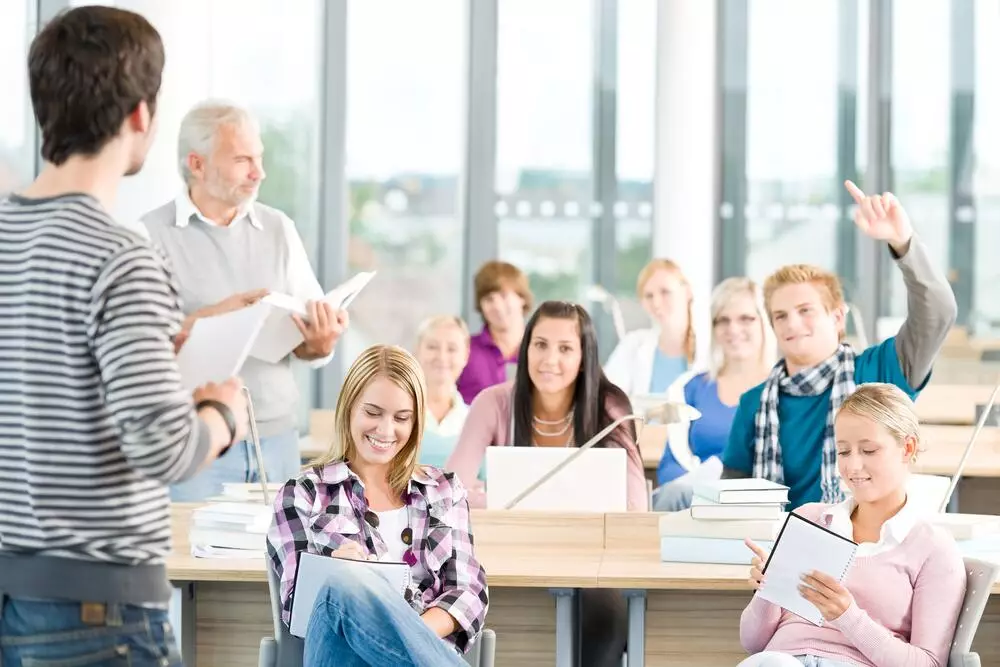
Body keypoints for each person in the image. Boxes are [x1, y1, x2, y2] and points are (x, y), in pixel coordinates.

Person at [0, 7, 248, 665]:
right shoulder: (122, 257)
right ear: (142, 114)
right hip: (98, 613)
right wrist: (222, 411)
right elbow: (166, 448)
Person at [142, 101, 347, 501]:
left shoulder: (278, 228)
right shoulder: (150, 235)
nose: (259, 172)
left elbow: (307, 338)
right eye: (242, 160)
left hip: (278, 442)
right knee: (193, 562)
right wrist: (215, 316)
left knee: (282, 563)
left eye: (259, 158)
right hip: (197, 443)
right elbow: (141, 347)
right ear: (197, 164)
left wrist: (320, 342)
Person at [721, 181, 958, 509]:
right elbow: (733, 500)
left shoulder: (878, 372)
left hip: (868, 543)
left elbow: (938, 312)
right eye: (781, 315)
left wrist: (902, 242)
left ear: (837, 318)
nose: (792, 324)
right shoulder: (754, 403)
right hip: (779, 546)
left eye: (805, 311)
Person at [446, 300, 642, 667]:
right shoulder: (494, 402)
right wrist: (496, 501)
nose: (550, 359)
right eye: (540, 344)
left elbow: (634, 510)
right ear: (526, 347)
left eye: (565, 348)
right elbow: (447, 494)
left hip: (592, 562)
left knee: (604, 618)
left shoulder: (610, 406)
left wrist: (494, 500)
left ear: (584, 357)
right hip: (508, 556)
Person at [266, 345, 488, 666]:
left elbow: (468, 593)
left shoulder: (444, 491)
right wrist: (339, 577)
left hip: (425, 653)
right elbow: (296, 607)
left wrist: (401, 637)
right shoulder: (303, 493)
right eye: (372, 413)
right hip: (343, 658)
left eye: (401, 418)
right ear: (349, 408)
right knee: (342, 583)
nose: (385, 430)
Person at [738, 383, 966, 667]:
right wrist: (767, 592)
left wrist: (847, 617)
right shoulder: (810, 520)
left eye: (868, 450)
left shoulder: (933, 549)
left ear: (907, 448)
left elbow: (928, 663)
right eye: (844, 452)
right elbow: (753, 644)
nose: (853, 467)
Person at [651, 277, 775, 511]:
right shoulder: (692, 388)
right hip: (693, 503)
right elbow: (671, 465)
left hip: (757, 505)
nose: (733, 329)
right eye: (723, 320)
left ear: (764, 322)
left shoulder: (782, 388)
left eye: (745, 319)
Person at [605, 258, 704, 396]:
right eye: (648, 296)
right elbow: (607, 398)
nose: (656, 303)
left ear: (687, 292)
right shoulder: (633, 345)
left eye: (665, 292)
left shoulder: (709, 348)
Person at [456, 260, 533, 404]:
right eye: (489, 299)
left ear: (522, 298)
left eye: (504, 296)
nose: (497, 306)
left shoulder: (541, 350)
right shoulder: (464, 349)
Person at [413, 315, 473, 471]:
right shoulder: (395, 415)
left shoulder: (475, 421)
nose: (442, 357)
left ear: (466, 355)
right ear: (418, 350)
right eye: (432, 347)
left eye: (452, 349)